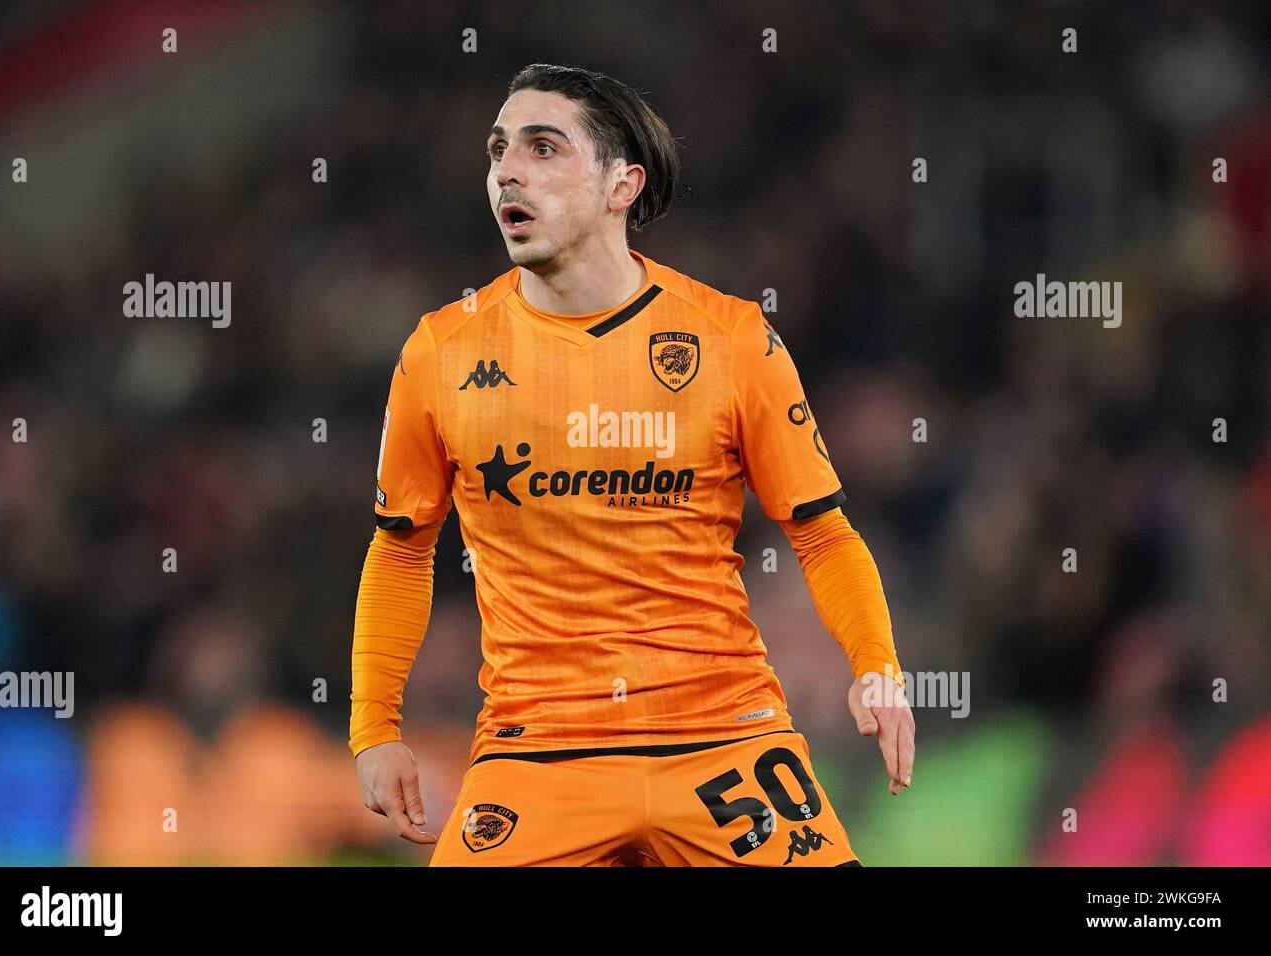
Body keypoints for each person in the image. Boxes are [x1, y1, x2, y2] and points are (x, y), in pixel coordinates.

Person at [350, 63, 914, 866]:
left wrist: (876, 668)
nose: (507, 169)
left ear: (622, 186)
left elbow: (821, 532)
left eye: (544, 147)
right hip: (537, 750)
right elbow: (401, 547)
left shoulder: (731, 339)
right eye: (498, 149)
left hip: (723, 737)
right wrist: (375, 729)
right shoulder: (441, 351)